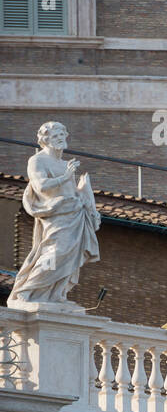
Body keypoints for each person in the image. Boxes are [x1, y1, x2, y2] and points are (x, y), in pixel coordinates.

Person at [8, 121, 101, 309]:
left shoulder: (66, 164)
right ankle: (27, 289)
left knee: (70, 256)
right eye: (55, 136)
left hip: (74, 214)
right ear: (45, 140)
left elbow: (71, 191)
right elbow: (41, 186)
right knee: (55, 253)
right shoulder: (38, 161)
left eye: (62, 134)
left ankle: (56, 293)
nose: (60, 138)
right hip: (55, 216)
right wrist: (65, 177)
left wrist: (87, 201)